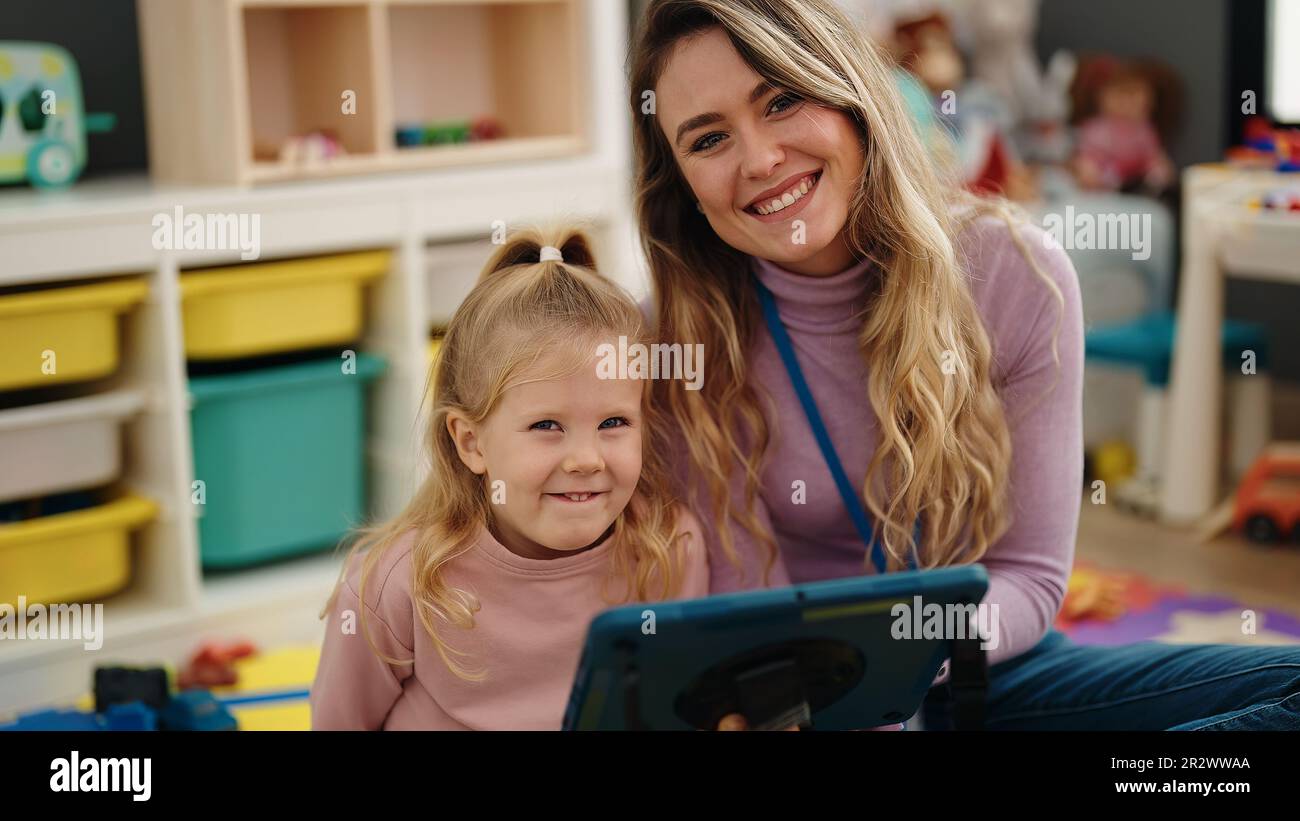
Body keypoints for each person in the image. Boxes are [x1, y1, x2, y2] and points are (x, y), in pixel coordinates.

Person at [629, 0, 1300, 730]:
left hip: (986, 671)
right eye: (708, 139)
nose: (758, 160)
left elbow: (1032, 579)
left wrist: (902, 652)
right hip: (806, 702)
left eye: (782, 100)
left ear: (852, 96)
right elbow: (746, 610)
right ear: (682, 185)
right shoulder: (674, 336)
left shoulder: (1015, 274)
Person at [311, 227, 709, 729]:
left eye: (614, 423)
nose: (586, 459)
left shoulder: (672, 549)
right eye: (547, 426)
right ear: (471, 442)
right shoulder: (394, 587)